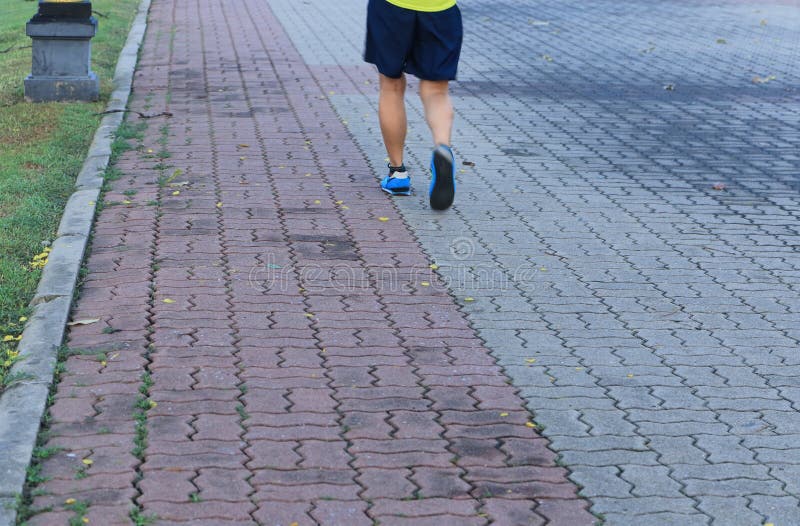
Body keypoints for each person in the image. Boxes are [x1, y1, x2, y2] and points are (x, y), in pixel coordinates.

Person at [364, 0, 463, 211]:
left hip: (391, 7)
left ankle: (398, 173)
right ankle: (442, 148)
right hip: (441, 9)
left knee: (391, 86)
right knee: (437, 91)